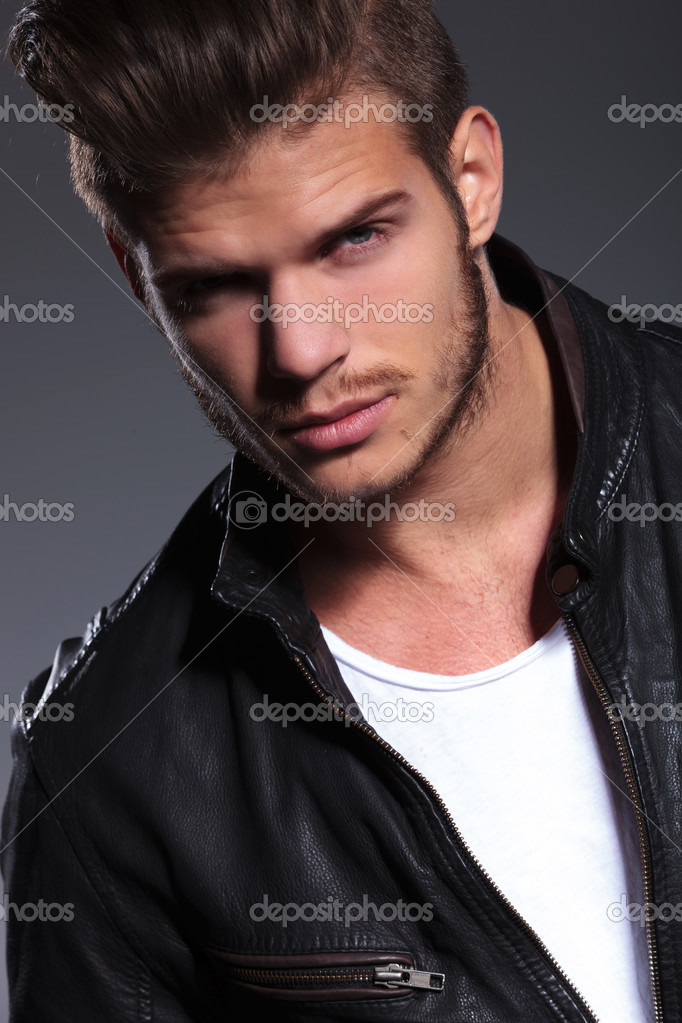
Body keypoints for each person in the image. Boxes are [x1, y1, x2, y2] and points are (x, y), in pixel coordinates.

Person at [2, 0, 680, 1019]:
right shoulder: (106, 759)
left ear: (470, 179)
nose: (303, 350)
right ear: (135, 277)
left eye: (355, 239)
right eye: (215, 285)